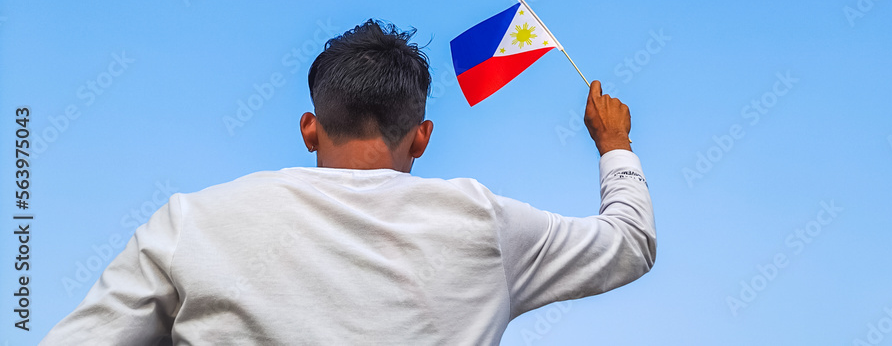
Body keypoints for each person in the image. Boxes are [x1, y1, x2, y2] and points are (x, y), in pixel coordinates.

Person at [40, 19, 656, 345]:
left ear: (310, 128)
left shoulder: (191, 223)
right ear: (422, 137)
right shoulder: (485, 223)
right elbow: (629, 244)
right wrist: (614, 143)